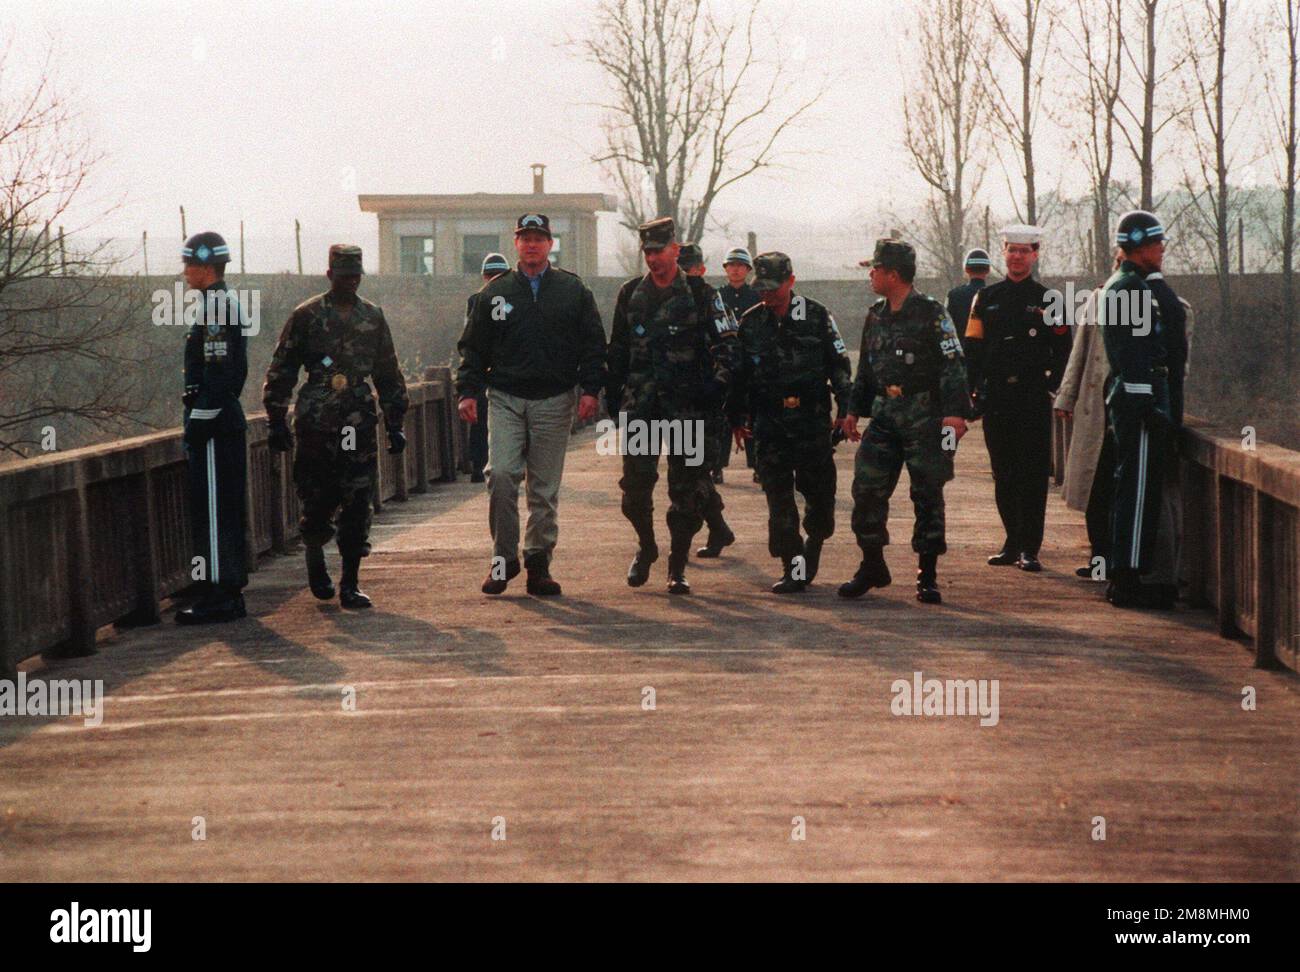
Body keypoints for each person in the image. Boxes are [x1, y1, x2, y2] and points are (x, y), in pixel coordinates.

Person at [456, 214, 605, 596]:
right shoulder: (496, 292)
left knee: (543, 488)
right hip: (505, 397)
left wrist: (591, 389)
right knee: (502, 475)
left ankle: (538, 562)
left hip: (554, 399)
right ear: (516, 243)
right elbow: (473, 346)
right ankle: (503, 559)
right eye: (526, 238)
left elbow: (592, 343)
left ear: (550, 244)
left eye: (539, 238)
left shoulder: (572, 291)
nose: (532, 244)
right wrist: (467, 391)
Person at [263, 244, 409, 610]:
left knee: (358, 499)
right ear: (330, 275)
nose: (351, 283)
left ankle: (351, 582)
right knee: (317, 495)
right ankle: (315, 559)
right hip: (316, 419)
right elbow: (282, 368)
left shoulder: (373, 317)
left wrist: (395, 422)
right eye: (344, 276)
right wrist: (277, 419)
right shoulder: (307, 315)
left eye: (356, 276)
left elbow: (388, 372)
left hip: (357, 418)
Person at [607, 216, 738, 594]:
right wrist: (612, 400)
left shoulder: (701, 295)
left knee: (687, 494)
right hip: (641, 410)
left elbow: (729, 348)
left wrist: (716, 390)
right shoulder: (630, 293)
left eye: (659, 251)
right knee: (634, 492)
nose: (653, 259)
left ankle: (677, 567)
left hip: (689, 410)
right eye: (647, 251)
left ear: (675, 250)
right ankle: (646, 547)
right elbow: (617, 350)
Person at [839, 239, 971, 604]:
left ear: (893, 274)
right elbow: (865, 367)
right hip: (883, 415)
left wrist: (955, 413)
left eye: (875, 269)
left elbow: (953, 363)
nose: (870, 274)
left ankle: (927, 575)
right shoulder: (875, 314)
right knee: (866, 490)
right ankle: (872, 564)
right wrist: (853, 410)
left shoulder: (932, 313)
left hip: (925, 417)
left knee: (928, 493)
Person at [727, 252, 853, 593]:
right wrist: (737, 418)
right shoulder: (751, 323)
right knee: (779, 500)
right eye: (761, 289)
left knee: (820, 499)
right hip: (769, 424)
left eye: (774, 288)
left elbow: (839, 364)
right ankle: (793, 566)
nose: (766, 295)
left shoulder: (816, 316)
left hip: (811, 422)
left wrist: (845, 408)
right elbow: (738, 375)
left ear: (791, 282)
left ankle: (814, 541)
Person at [964, 225, 1071, 572]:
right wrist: (970, 392)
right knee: (1003, 472)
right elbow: (973, 349)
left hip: (1031, 397)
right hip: (997, 398)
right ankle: (1011, 541)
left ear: (1035, 255)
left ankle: (1030, 548)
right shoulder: (986, 299)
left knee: (1033, 473)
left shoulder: (1049, 299)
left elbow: (1063, 349)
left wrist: (1051, 385)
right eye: (1012, 250)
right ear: (1003, 253)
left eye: (1024, 251)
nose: (1017, 257)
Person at [175, 231, 249, 625]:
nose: (184, 273)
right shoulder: (217, 304)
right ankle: (219, 588)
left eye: (188, 265)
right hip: (221, 423)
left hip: (215, 427)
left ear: (205, 267)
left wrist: (197, 425)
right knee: (219, 509)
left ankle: (222, 592)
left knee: (217, 511)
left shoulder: (216, 308)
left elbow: (220, 378)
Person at [1100, 210, 1171, 608]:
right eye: (1157, 242)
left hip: (1130, 396)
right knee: (1138, 488)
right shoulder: (1131, 289)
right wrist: (1148, 406)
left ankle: (1125, 573)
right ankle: (1126, 579)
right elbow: (1134, 353)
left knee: (1132, 484)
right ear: (1141, 244)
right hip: (1137, 399)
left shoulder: (1127, 285)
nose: (1162, 249)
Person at [1054, 255, 1121, 580]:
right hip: (1095, 408)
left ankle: (1116, 562)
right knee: (1095, 488)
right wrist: (1067, 395)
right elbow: (1079, 351)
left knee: (1114, 488)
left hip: (1122, 411)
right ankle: (1099, 560)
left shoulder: (1152, 302)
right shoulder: (1097, 299)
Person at [1138, 235, 1193, 608]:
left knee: (1155, 495)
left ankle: (1158, 581)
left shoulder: (1152, 301)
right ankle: (1169, 577)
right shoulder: (1175, 303)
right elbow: (1181, 367)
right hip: (1169, 406)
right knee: (1167, 493)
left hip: (1154, 411)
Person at [464, 252, 511, 484]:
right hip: (501, 370)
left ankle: (480, 465)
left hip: (486, 370)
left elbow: (469, 339)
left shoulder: (476, 300)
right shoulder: (509, 300)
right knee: (493, 421)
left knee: (482, 422)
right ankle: (490, 464)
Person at [718, 246, 762, 483]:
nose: (735, 270)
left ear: (747, 270)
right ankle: (717, 465)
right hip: (724, 361)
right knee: (723, 415)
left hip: (750, 361)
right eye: (731, 265)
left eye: (740, 266)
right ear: (725, 269)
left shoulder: (756, 297)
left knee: (753, 413)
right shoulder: (717, 297)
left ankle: (758, 465)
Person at [945, 247, 991, 344]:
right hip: (988, 356)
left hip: (962, 354)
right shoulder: (994, 296)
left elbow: (947, 328)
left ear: (966, 269)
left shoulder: (954, 296)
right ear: (988, 270)